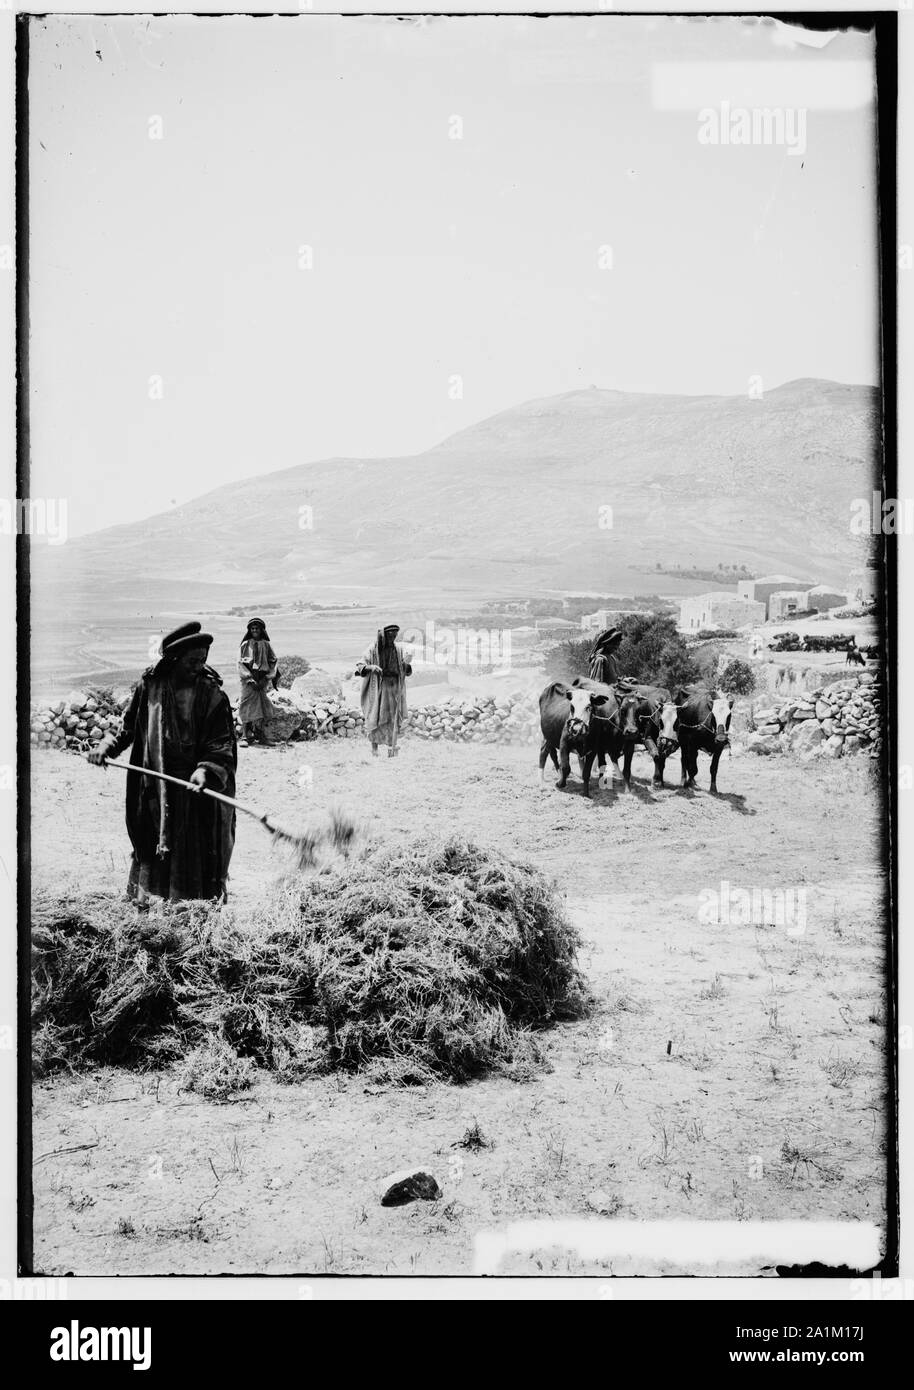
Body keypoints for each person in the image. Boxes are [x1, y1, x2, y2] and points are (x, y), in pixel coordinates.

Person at [88, 622, 237, 904]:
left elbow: (221, 744)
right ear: (174, 659)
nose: (198, 667)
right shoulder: (150, 687)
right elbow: (129, 727)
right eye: (193, 662)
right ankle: (149, 906)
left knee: (192, 851)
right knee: (153, 845)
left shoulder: (213, 695)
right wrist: (106, 747)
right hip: (154, 787)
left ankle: (191, 912)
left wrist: (205, 770)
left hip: (194, 791)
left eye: (203, 661)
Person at [354, 624, 412, 757]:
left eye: (394, 636)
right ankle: (374, 750)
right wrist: (372, 667)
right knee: (375, 717)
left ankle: (392, 748)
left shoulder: (398, 649)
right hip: (378, 688)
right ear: (383, 636)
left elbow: (405, 669)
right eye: (389, 636)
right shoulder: (373, 648)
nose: (392, 639)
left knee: (392, 718)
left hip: (393, 688)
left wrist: (406, 665)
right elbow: (360, 664)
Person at [238, 617, 279, 746]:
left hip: (262, 681)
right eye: (252, 628)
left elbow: (273, 661)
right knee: (247, 705)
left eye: (257, 628)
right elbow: (240, 663)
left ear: (262, 630)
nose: (255, 630)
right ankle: (245, 736)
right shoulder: (245, 645)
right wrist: (249, 679)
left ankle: (261, 736)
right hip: (249, 681)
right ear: (250, 630)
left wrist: (266, 678)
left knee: (262, 706)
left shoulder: (266, 645)